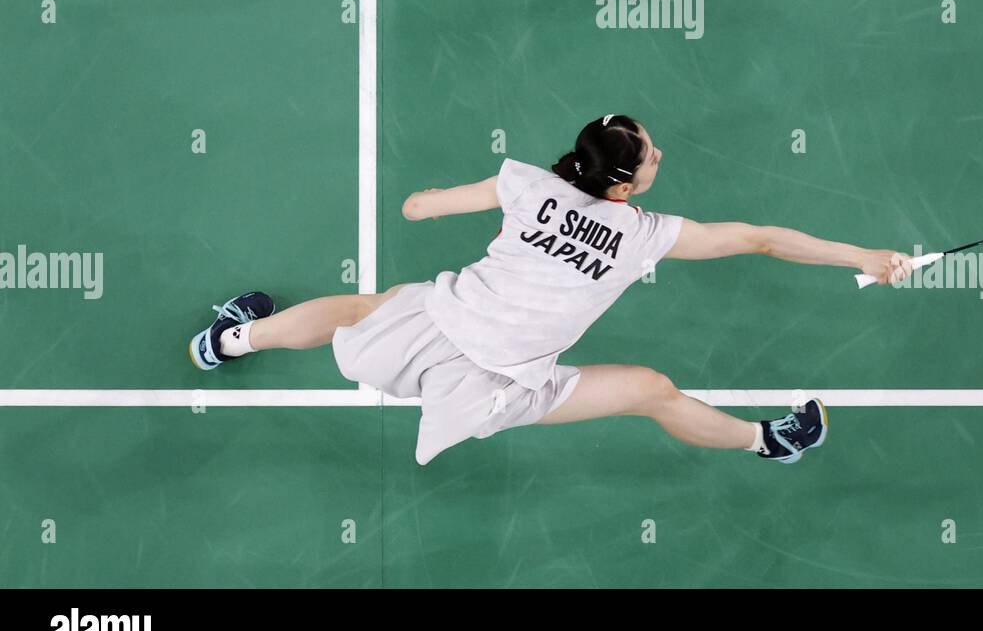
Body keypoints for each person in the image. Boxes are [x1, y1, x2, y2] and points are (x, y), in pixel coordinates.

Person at [189, 116, 914, 466]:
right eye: (652, 152)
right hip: (494, 384)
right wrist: (866, 256)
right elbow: (759, 238)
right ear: (625, 184)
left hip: (428, 325)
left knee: (359, 308)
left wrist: (433, 198)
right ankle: (768, 443)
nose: (661, 152)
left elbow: (417, 207)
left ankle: (223, 340)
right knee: (649, 389)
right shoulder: (644, 235)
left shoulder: (525, 183)